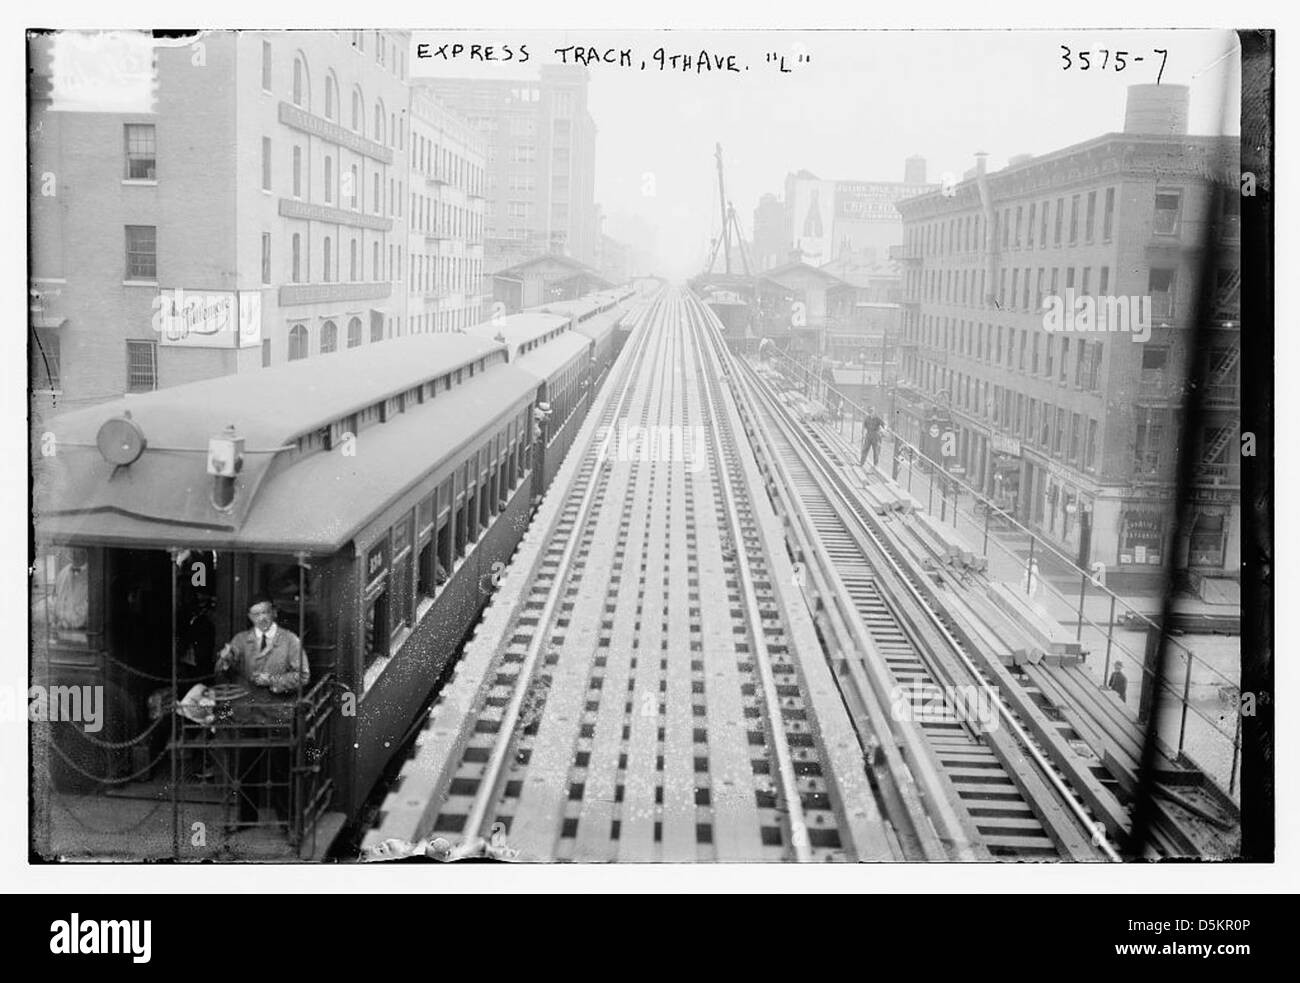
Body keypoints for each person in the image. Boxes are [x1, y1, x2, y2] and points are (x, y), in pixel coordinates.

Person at [215, 599, 310, 695]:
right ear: (250, 617)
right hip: (244, 705)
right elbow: (225, 673)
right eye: (256, 614)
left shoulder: (290, 639)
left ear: (274, 613)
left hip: (276, 705)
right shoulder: (240, 639)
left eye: (265, 612)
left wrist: (271, 680)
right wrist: (225, 660)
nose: (261, 618)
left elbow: (303, 676)